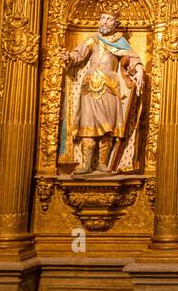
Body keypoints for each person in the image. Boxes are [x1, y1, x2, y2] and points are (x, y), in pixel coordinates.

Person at [61, 12, 144, 175]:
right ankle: (86, 164)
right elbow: (78, 54)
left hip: (109, 87)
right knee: (88, 125)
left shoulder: (120, 42)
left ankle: (102, 164)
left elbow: (132, 58)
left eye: (108, 19)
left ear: (115, 23)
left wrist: (139, 69)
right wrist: (68, 56)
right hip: (90, 87)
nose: (103, 21)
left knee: (108, 126)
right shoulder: (93, 40)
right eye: (102, 18)